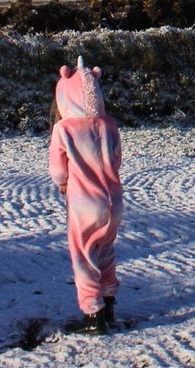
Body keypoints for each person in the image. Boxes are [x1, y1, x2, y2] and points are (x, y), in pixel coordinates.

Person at [49, 55, 124, 334]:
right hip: (113, 202)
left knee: (84, 254)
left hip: (84, 203)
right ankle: (109, 302)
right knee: (105, 250)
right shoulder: (109, 125)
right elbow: (116, 160)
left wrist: (65, 183)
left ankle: (93, 313)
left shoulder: (64, 129)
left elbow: (58, 169)